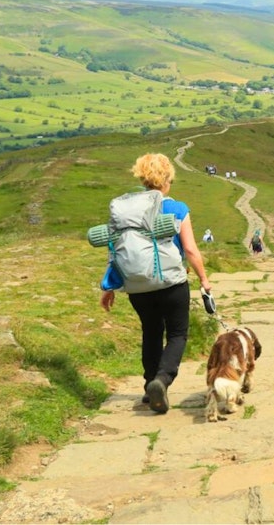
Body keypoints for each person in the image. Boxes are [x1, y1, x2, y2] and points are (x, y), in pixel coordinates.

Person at [99, 153, 212, 414]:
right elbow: (191, 250)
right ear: (168, 179)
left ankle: (149, 388)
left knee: (150, 332)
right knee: (177, 334)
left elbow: (117, 249)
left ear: (141, 178)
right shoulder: (177, 208)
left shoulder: (125, 210)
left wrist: (108, 286)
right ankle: (162, 380)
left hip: (137, 286)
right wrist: (204, 280)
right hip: (172, 283)